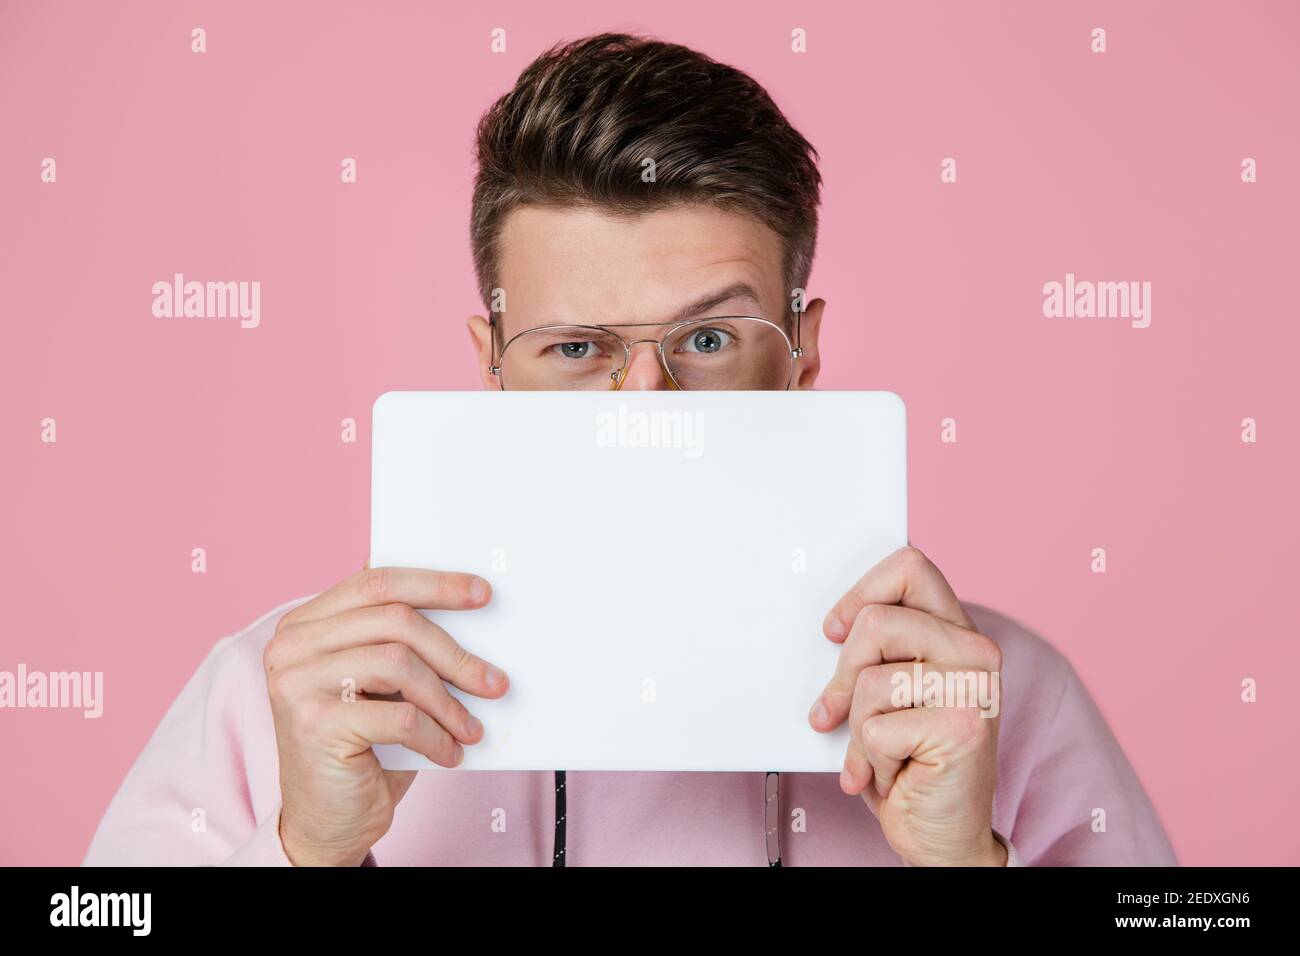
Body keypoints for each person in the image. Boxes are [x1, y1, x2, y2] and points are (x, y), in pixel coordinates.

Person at [84, 34, 1175, 867]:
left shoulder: (987, 689)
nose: (644, 400)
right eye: (574, 345)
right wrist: (304, 852)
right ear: (493, 364)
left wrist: (963, 862)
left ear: (801, 355)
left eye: (708, 336)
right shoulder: (290, 690)